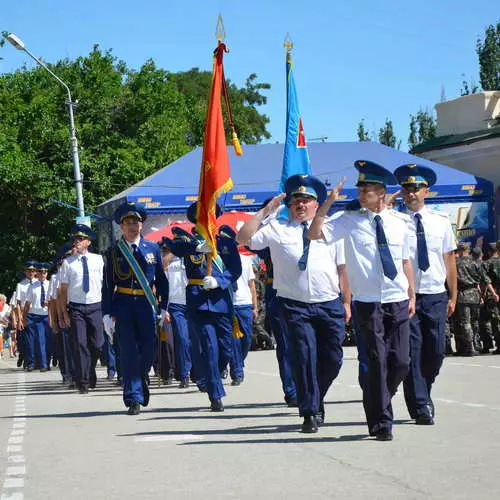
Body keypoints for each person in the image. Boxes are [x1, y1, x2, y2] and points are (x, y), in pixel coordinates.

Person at [309, 160, 416, 441]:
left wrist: (411, 293)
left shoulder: (400, 223)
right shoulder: (348, 220)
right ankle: (381, 421)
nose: (360, 194)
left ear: (381, 192)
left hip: (397, 298)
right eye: (360, 189)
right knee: (377, 360)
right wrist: (328, 204)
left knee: (402, 361)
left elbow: (405, 260)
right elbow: (314, 233)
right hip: (368, 302)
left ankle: (378, 396)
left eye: (366, 189)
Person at [238, 174, 349, 434]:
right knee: (304, 357)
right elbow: (243, 238)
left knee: (333, 358)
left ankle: (316, 396)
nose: (300, 205)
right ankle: (310, 411)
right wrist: (266, 211)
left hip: (328, 303)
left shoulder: (331, 228)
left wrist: (347, 301)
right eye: (296, 200)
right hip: (293, 305)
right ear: (289, 204)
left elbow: (342, 269)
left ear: (316, 204)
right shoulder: (277, 228)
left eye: (307, 200)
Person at [394, 164, 457, 425]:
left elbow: (449, 259)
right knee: (413, 352)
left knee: (436, 352)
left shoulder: (440, 221)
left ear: (426, 192)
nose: (411, 193)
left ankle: (425, 391)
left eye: (416, 188)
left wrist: (453, 295)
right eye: (407, 188)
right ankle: (420, 405)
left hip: (435, 294)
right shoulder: (393, 222)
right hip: (407, 297)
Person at [164, 202, 241, 412]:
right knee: (209, 345)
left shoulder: (225, 243)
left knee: (225, 349)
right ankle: (215, 394)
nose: (206, 221)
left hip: (221, 301)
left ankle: (208, 374)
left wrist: (221, 280)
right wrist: (197, 247)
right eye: (202, 218)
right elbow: (174, 246)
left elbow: (236, 269)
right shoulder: (189, 241)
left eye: (210, 216)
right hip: (198, 301)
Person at [102, 202, 169, 415]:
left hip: (146, 305)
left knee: (148, 350)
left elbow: (162, 280)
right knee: (129, 352)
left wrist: (163, 308)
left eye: (136, 222)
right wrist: (106, 313)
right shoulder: (113, 252)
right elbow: (107, 285)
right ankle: (133, 397)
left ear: (142, 225)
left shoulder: (152, 249)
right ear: (121, 226)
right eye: (128, 222)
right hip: (123, 306)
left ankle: (141, 379)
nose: (133, 226)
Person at [58, 225, 105, 394]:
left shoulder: (98, 259)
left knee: (97, 344)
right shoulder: (68, 263)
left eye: (80, 239)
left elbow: (105, 285)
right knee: (80, 344)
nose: (76, 242)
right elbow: (63, 290)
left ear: (88, 241)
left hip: (96, 305)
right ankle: (83, 381)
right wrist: (64, 313)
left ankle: (90, 369)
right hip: (76, 307)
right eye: (75, 239)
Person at [219, 224, 257, 386]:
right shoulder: (218, 261)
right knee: (233, 339)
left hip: (244, 304)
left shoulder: (246, 259)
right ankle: (237, 371)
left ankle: (237, 362)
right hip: (227, 303)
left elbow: (251, 285)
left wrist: (255, 306)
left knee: (246, 339)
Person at [162, 229, 191, 388]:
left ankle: (195, 372)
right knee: (182, 339)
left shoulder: (191, 257)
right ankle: (184, 373)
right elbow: (163, 267)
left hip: (192, 302)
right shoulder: (169, 260)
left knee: (194, 340)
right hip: (175, 305)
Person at [455, 243, 489, 356]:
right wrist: (482, 294)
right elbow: (485, 279)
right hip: (476, 294)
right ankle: (476, 344)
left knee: (465, 322)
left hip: (463, 294)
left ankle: (469, 347)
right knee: (475, 321)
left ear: (459, 251)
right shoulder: (475, 262)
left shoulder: (457, 263)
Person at [23, 262, 51, 372]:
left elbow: (57, 300)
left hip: (48, 315)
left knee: (49, 341)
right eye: (40, 272)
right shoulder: (32, 286)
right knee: (40, 340)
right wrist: (23, 317)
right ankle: (43, 364)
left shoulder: (51, 284)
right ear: (37, 273)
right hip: (36, 316)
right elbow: (27, 303)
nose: (43, 274)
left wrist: (50, 303)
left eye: (45, 272)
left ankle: (47, 361)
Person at [13, 261, 38, 368]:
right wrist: (19, 319)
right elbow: (18, 304)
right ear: (25, 272)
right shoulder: (21, 285)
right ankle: (29, 361)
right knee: (28, 340)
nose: (31, 272)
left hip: (38, 313)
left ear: (36, 272)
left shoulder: (39, 282)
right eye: (29, 270)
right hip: (26, 314)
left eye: (33, 270)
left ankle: (39, 360)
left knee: (38, 338)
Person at [483, 242, 500, 354]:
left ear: (489, 252)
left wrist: (493, 293)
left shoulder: (487, 263)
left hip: (494, 294)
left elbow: (486, 281)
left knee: (496, 320)